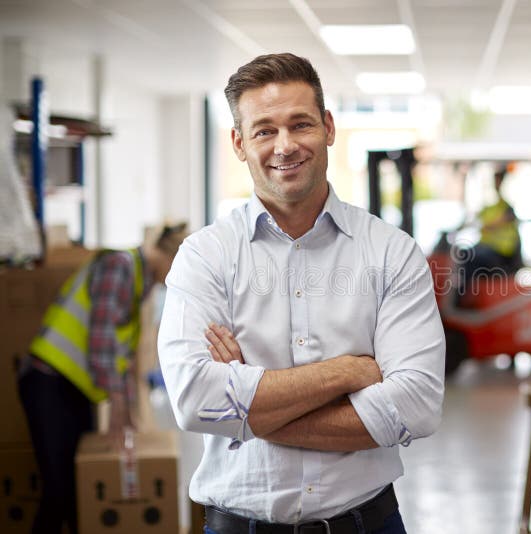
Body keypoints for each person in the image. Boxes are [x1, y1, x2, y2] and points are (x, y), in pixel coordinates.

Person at [157, 53, 445, 534]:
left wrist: (250, 404)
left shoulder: (392, 253)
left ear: (328, 127)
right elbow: (194, 400)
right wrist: (349, 372)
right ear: (238, 142)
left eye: (300, 124)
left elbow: (416, 405)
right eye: (264, 130)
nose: (284, 145)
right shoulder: (203, 257)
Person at [18, 223, 188, 534]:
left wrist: (128, 415)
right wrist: (119, 407)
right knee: (58, 490)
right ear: (168, 255)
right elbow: (101, 345)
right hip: (48, 380)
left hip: (70, 388)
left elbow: (120, 360)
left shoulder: (139, 286)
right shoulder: (119, 267)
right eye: (182, 266)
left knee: (75, 489)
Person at [459, 164, 522, 298]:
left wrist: (486, 225)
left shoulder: (506, 207)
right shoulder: (490, 206)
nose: (496, 184)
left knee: (470, 258)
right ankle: (464, 295)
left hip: (502, 253)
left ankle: (464, 296)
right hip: (488, 248)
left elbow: (498, 222)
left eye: (499, 180)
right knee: (462, 255)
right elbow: (475, 220)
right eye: (495, 180)